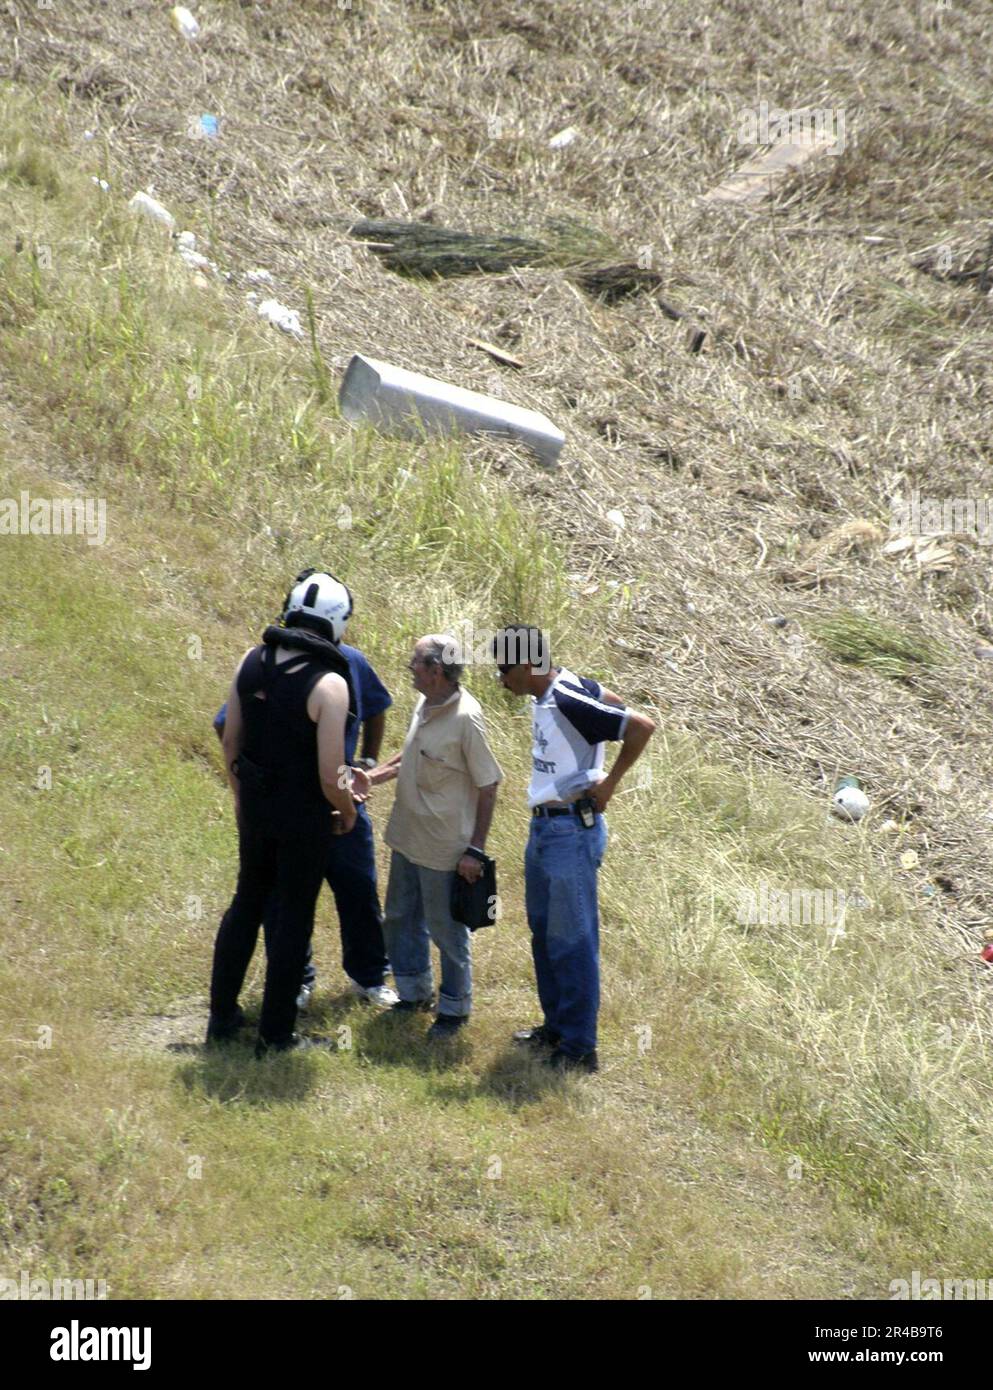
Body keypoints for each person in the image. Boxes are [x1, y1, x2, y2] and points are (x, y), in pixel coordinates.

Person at [212, 588, 398, 1009]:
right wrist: (346, 804)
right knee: (286, 909)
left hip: (284, 808)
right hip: (311, 811)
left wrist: (365, 761)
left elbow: (377, 705)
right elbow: (226, 729)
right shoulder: (305, 674)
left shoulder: (264, 661)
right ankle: (293, 992)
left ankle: (368, 976)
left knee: (354, 890)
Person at [207, 571, 360, 1054]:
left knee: (246, 905)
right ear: (335, 625)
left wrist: (240, 800)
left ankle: (222, 1018)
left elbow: (231, 742)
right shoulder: (331, 685)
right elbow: (331, 772)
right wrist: (348, 810)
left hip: (256, 810)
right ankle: (276, 1036)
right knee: (293, 919)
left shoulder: (249, 661)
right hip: (303, 822)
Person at [493, 625, 655, 1073]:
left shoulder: (565, 697)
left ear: (528, 665)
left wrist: (607, 787)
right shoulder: (560, 692)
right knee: (545, 935)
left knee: (573, 940)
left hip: (569, 833)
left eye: (505, 670)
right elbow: (614, 703)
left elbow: (640, 726)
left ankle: (581, 1048)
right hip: (544, 829)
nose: (502, 679)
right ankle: (557, 1028)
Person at [366, 635, 502, 1038]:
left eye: (416, 662)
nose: (410, 667)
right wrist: (373, 777)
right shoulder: (425, 702)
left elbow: (490, 784)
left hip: (444, 847)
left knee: (446, 931)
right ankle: (413, 992)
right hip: (408, 835)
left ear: (436, 671)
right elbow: (410, 753)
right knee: (399, 918)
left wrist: (475, 850)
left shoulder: (466, 720)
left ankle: (455, 1009)